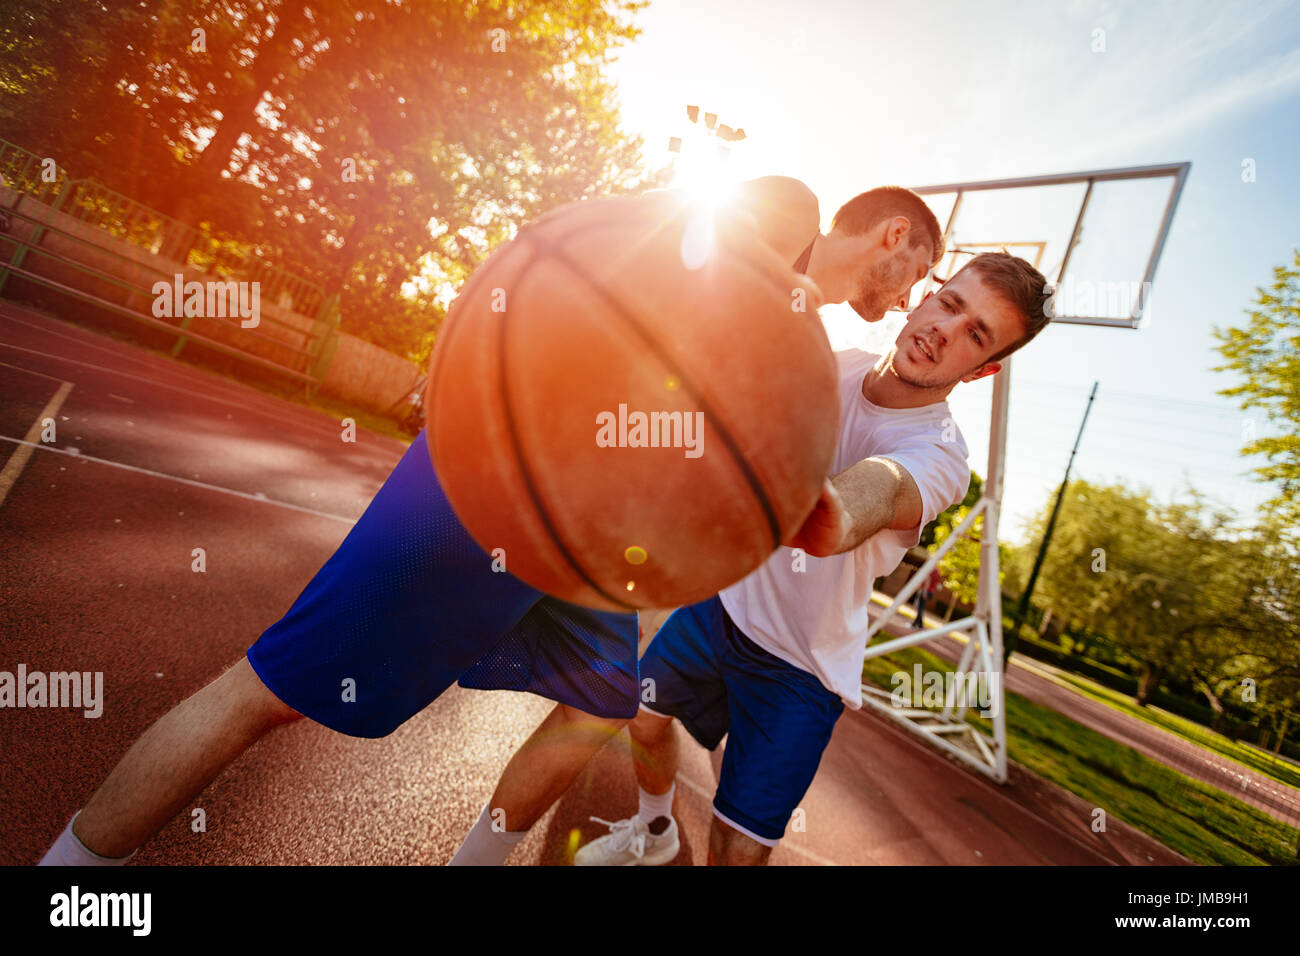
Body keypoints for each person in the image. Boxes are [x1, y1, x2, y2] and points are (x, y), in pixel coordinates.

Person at [37, 176, 942, 867]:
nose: (905, 301)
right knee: (270, 692)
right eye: (916, 278)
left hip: (583, 534)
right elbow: (585, 255)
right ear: (894, 236)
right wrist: (473, 345)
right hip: (499, 480)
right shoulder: (782, 214)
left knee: (601, 703)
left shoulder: (801, 341)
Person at [453, 249, 1051, 866]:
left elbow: (848, 510)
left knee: (737, 847)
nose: (945, 330)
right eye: (950, 303)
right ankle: (655, 833)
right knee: (640, 717)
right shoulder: (832, 368)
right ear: (926, 294)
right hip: (723, 609)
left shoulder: (940, 454)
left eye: (975, 333)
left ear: (982, 371)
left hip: (801, 665)